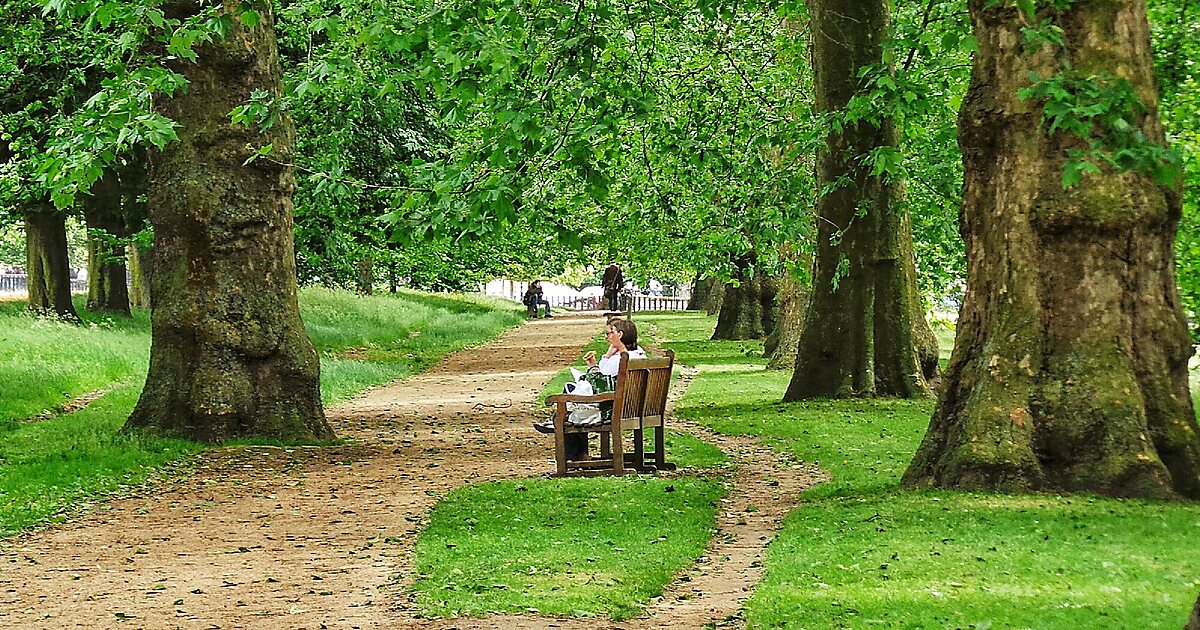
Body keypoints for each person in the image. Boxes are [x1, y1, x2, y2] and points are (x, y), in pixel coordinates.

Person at [535, 319, 645, 462]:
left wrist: (607, 355)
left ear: (620, 335)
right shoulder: (639, 354)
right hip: (633, 408)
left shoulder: (619, 359)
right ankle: (579, 453)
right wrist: (595, 365)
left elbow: (600, 378)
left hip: (612, 411)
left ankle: (574, 457)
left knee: (566, 411)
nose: (606, 337)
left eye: (609, 333)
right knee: (572, 406)